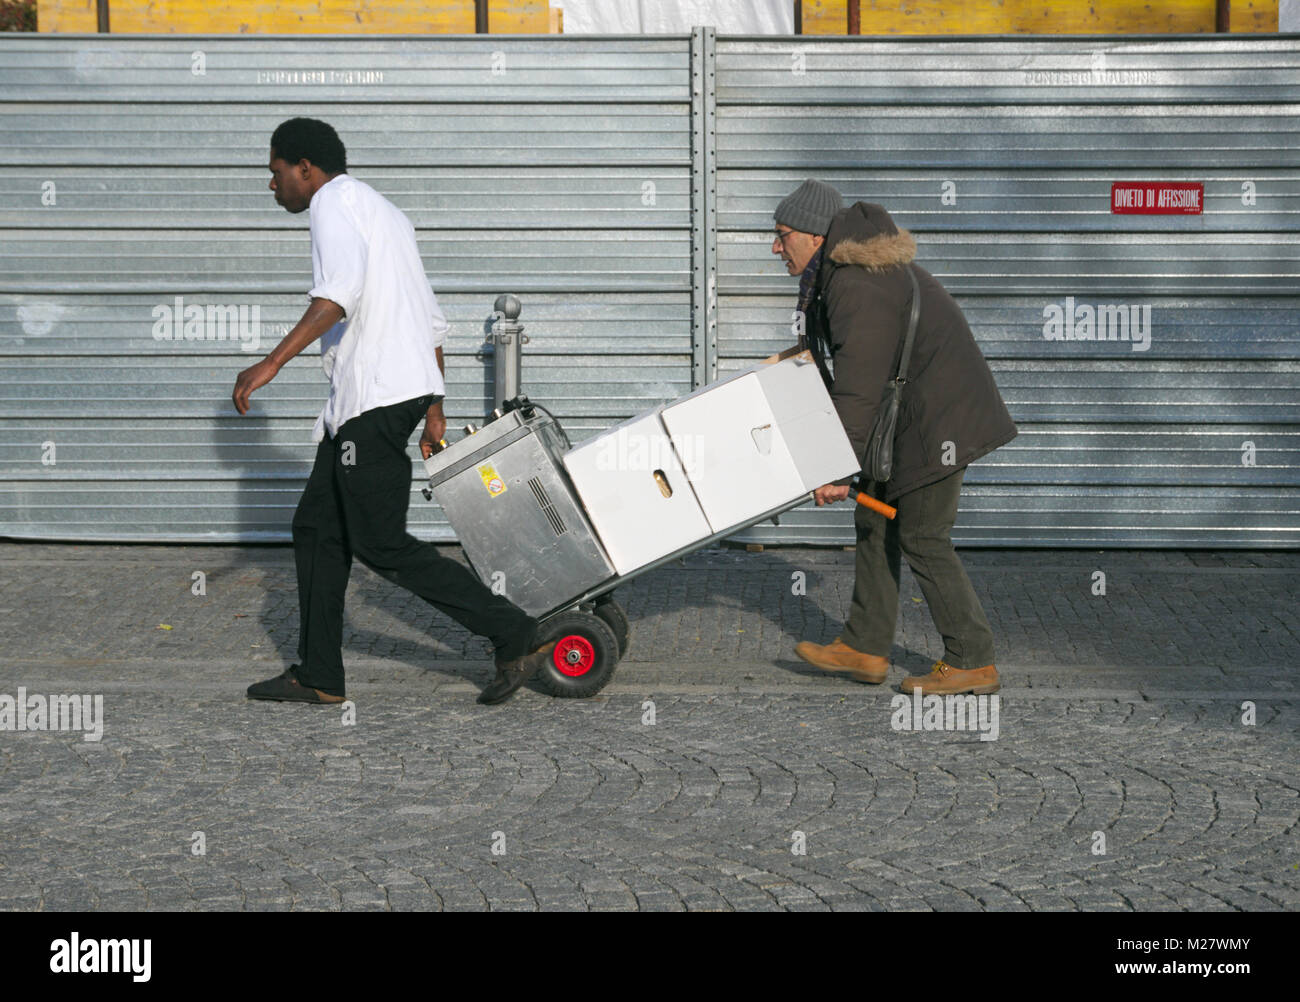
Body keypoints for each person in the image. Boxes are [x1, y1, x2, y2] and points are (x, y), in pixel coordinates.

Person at [234, 117, 553, 706]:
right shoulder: (385, 212)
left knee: (379, 543)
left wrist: (271, 363)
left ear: (306, 168)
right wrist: (435, 405)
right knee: (317, 529)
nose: (271, 185)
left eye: (276, 173)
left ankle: (512, 630)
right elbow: (428, 317)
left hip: (374, 400)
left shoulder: (332, 203)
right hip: (376, 400)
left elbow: (339, 295)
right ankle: (320, 674)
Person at [774, 179, 1017, 695]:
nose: (776, 247)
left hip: (939, 423)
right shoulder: (842, 276)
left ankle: (973, 659)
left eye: (783, 234)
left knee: (923, 535)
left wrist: (834, 467)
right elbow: (849, 369)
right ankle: (864, 647)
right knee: (874, 517)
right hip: (906, 418)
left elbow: (859, 389)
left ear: (816, 237)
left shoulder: (856, 282)